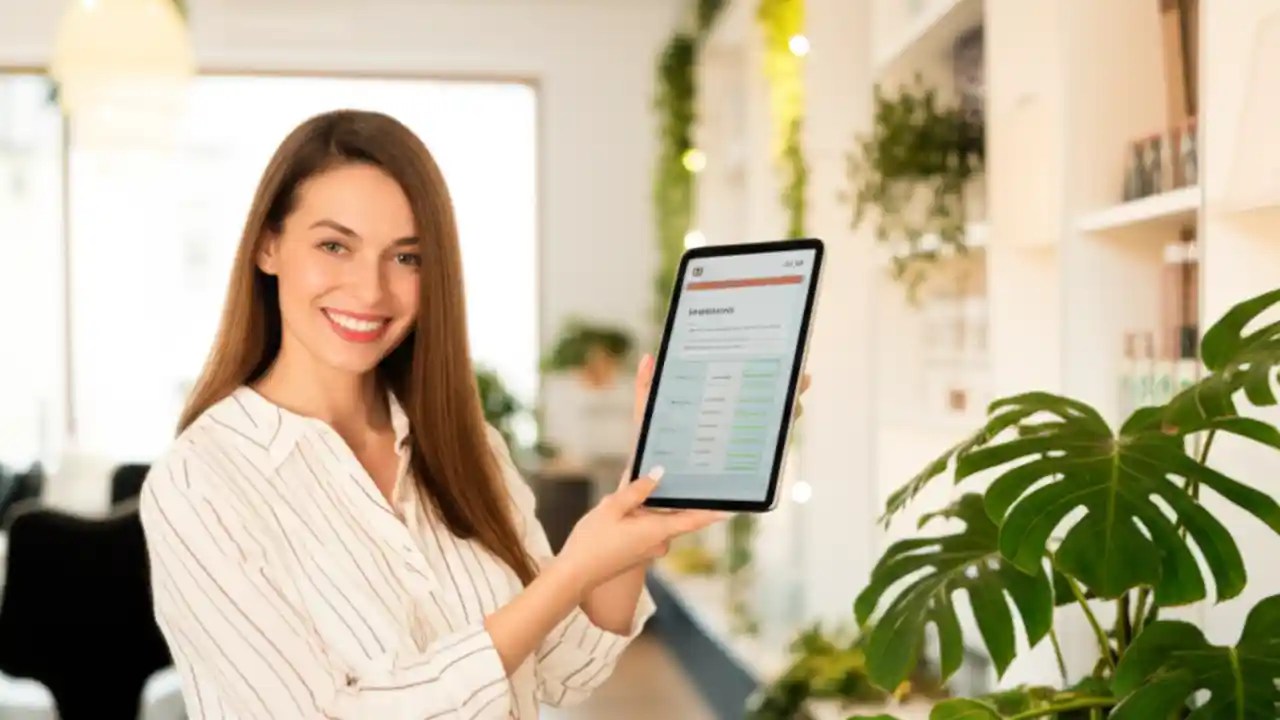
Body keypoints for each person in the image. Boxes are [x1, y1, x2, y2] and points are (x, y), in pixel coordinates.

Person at [138, 109, 809, 720]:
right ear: (268, 247)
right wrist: (569, 572)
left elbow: (564, 669)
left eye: (406, 257)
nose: (371, 289)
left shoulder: (464, 447)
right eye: (334, 246)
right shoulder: (201, 483)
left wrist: (639, 511)